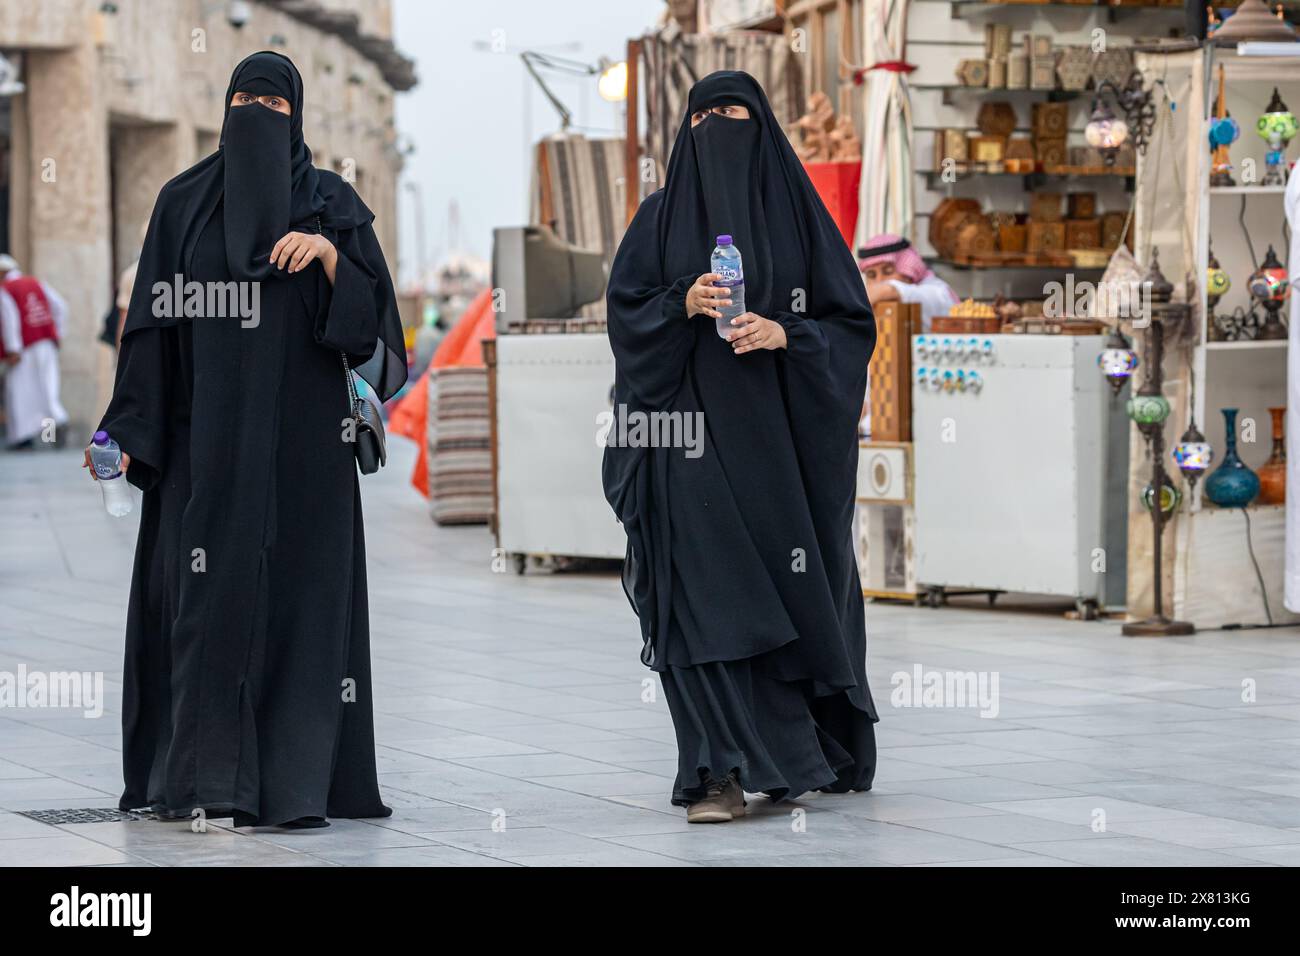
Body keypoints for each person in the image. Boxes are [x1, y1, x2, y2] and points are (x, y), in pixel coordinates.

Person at [86, 52, 407, 828]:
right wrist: (129, 429)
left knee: (302, 607)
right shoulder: (184, 203)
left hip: (306, 452)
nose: (256, 112)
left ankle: (298, 784)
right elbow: (151, 332)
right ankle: (197, 777)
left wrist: (329, 257)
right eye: (243, 98)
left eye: (272, 100)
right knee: (198, 601)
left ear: (296, 114)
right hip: (204, 448)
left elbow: (377, 334)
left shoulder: (333, 204)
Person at [602, 71, 878, 824]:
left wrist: (788, 333)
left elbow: (852, 326)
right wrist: (680, 302)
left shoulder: (799, 218)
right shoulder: (658, 221)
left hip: (777, 456)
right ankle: (713, 773)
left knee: (779, 593)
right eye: (702, 115)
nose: (717, 127)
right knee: (699, 597)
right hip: (678, 444)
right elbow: (624, 318)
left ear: (761, 123)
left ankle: (793, 752)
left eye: (733, 112)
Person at [0, 254, 70, 449]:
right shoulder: (36, 283)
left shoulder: (5, 289)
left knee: (19, 391)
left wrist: (13, 348)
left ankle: (22, 438)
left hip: (24, 347)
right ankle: (58, 421)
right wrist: (57, 332)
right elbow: (61, 306)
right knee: (47, 387)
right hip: (46, 343)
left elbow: (10, 318)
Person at [858, 233, 958, 333]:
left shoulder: (939, 292)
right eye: (871, 275)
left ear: (907, 268)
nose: (879, 281)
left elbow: (892, 290)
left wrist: (887, 290)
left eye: (888, 271)